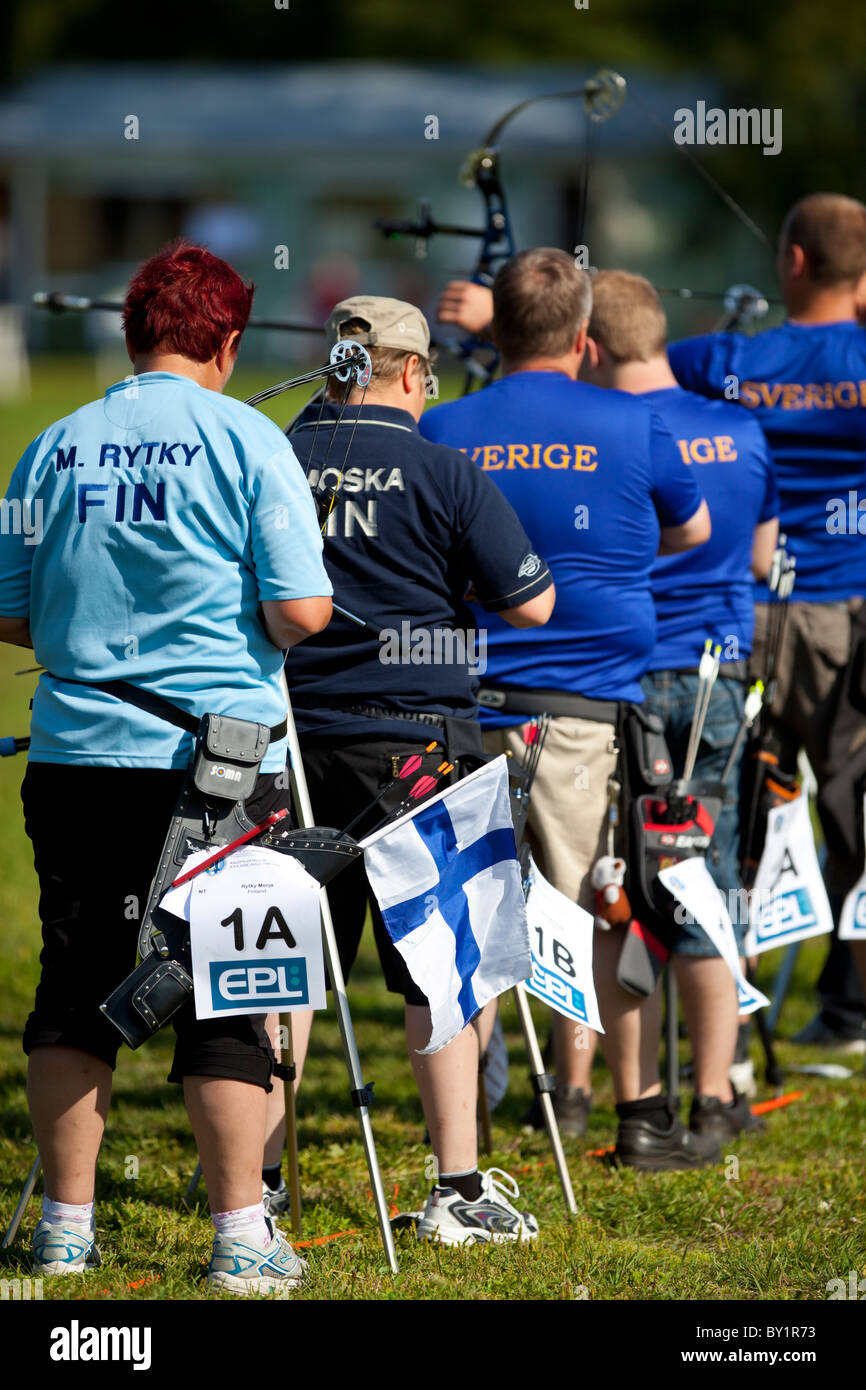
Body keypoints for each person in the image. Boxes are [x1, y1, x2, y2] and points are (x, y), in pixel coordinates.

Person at [0, 240, 334, 1295]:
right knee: (230, 994)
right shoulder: (248, 440)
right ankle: (240, 1234)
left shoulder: (54, 443)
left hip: (77, 753)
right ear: (228, 343)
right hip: (217, 770)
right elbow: (300, 611)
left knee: (71, 985)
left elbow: (9, 607)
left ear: (131, 334)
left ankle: (64, 1229)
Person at [425, 248, 721, 1168]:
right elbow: (695, 529)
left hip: (466, 703)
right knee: (604, 905)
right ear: (586, 341)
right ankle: (630, 1113)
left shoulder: (442, 424)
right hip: (586, 708)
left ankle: (471, 1129)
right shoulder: (635, 425)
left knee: (470, 915)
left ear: (496, 330)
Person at [276, 295, 555, 1245]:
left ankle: (263, 1182)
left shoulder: (274, 457)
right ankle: (458, 1187)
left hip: (288, 738)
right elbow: (535, 605)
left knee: (289, 967)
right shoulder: (443, 468)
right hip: (418, 743)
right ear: (408, 373)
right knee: (441, 967)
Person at [580, 269, 779, 1139]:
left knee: (612, 886)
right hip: (715, 679)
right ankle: (715, 1093)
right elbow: (766, 560)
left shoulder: (599, 432)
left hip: (614, 680)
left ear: (588, 344)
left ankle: (600, 1091)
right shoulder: (741, 429)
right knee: (708, 881)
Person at [668, 193, 866, 1046]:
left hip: (746, 607)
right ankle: (850, 1008)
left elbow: (620, 352)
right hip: (847, 614)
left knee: (738, 809)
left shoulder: (728, 358)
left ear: (791, 262)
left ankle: (731, 1012)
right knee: (853, 809)